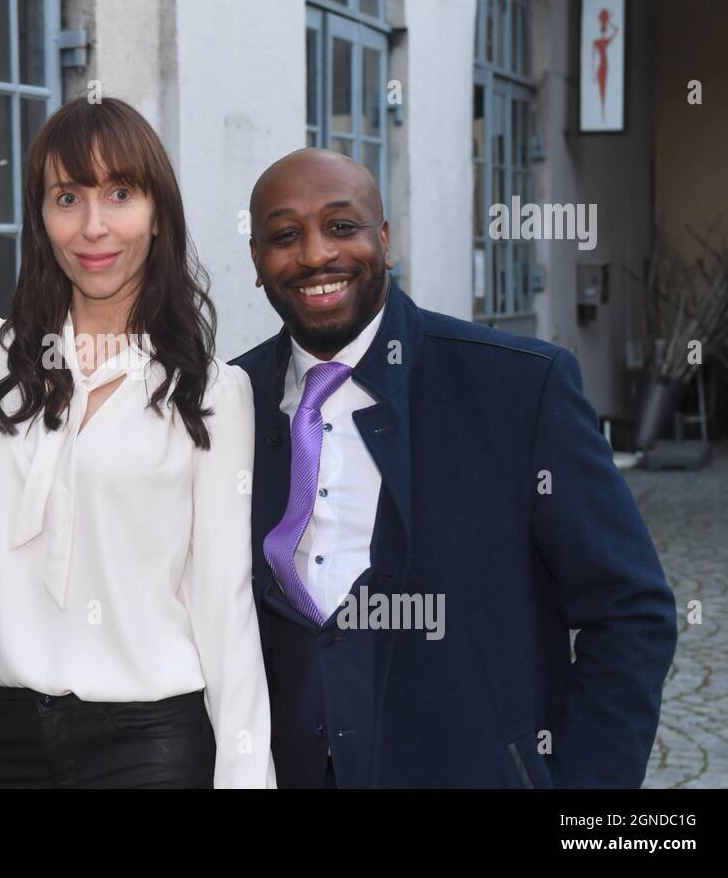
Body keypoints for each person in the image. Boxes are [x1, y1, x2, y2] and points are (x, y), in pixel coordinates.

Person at [231, 147, 677, 788]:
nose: (315, 256)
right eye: (283, 236)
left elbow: (631, 612)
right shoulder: (227, 402)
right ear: (256, 262)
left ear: (384, 241)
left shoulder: (518, 388)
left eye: (341, 226)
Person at [0, 97, 272, 787]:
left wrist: (246, 775)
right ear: (40, 216)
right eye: (67, 197)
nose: (94, 226)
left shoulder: (212, 393)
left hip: (150, 746)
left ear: (158, 214)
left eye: (120, 194)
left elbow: (225, 601)